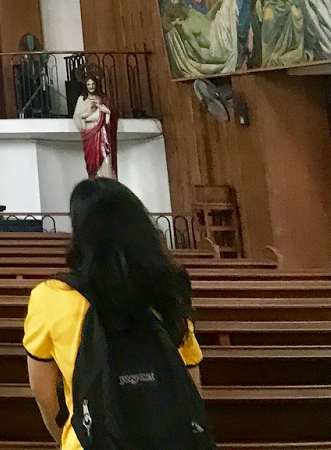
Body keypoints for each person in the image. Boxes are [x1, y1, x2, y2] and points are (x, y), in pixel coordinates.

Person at [23, 179, 204, 449]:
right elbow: (190, 386)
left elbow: (42, 392)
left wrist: (66, 436)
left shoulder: (50, 296)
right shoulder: (165, 290)